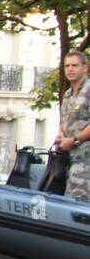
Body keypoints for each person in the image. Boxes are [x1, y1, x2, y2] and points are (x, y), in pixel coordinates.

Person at [56, 50, 90, 201]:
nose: (70, 69)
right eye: (67, 66)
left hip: (86, 162)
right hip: (69, 160)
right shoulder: (68, 94)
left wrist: (75, 139)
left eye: (74, 65)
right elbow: (65, 120)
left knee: (79, 207)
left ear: (85, 67)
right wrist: (60, 133)